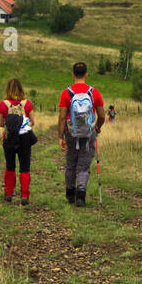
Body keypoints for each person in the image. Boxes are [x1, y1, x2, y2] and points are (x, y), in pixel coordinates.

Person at [57, 62, 105, 207]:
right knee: (83, 165)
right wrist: (97, 127)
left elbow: (61, 117)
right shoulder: (94, 92)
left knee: (71, 163)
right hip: (88, 132)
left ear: (73, 74)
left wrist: (61, 136)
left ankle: (70, 193)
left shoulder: (66, 93)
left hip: (71, 132)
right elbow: (102, 115)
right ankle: (81, 196)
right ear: (86, 74)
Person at [0, 79, 37, 206]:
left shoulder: (3, 105)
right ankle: (24, 195)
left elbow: (0, 123)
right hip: (24, 138)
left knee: (10, 166)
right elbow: (32, 122)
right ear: (21, 89)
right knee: (24, 167)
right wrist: (22, 124)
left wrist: (11, 124)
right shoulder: (26, 104)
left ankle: (9, 193)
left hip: (9, 138)